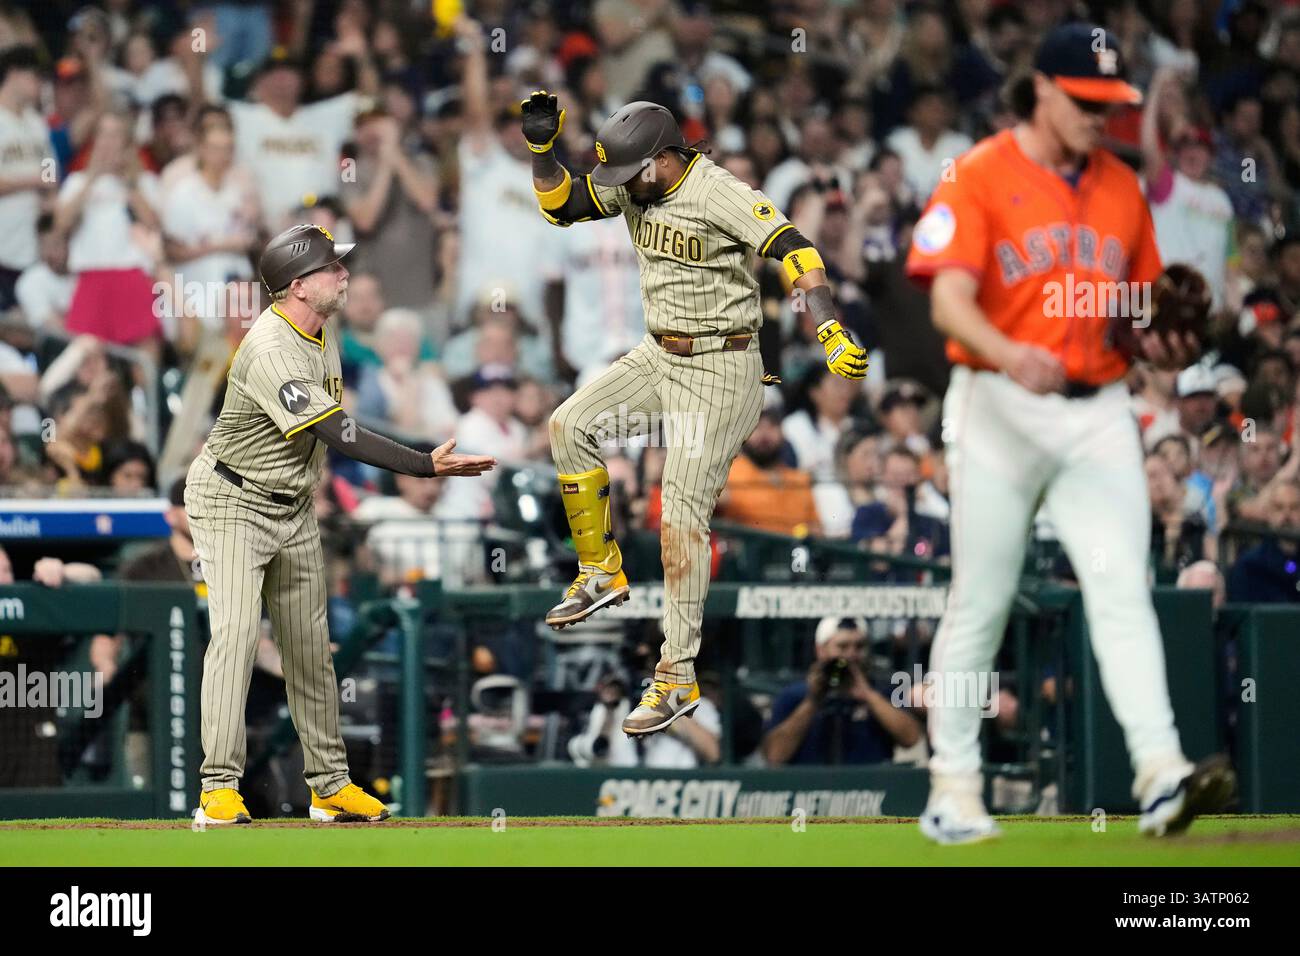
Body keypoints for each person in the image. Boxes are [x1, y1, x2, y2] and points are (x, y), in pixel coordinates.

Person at [904, 24, 1234, 843]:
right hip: (996, 404)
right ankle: (952, 786)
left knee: (1121, 588)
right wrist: (1009, 352)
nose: (1100, 117)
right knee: (979, 599)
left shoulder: (1121, 185)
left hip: (1097, 410)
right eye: (1085, 102)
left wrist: (1154, 341)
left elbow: (1137, 311)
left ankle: (1160, 775)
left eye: (1110, 103)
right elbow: (947, 301)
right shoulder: (978, 173)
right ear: (1043, 90)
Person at [526, 91, 867, 737]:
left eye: (631, 174)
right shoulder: (637, 183)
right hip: (661, 355)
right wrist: (542, 152)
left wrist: (826, 326)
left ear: (661, 159)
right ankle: (600, 569)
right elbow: (561, 208)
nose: (622, 187)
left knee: (681, 512)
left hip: (722, 364)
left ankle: (677, 677)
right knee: (569, 425)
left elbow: (796, 247)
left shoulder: (717, 191)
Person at [185, 224, 496, 826]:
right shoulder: (272, 346)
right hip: (232, 500)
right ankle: (218, 788)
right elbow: (340, 433)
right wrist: (422, 464)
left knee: (310, 649)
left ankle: (329, 786)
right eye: (332, 268)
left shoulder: (322, 329)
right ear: (297, 285)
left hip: (292, 503)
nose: (344, 274)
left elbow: (337, 425)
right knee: (238, 635)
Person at [761, 617, 920, 765]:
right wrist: (812, 702)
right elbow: (775, 756)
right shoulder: (794, 695)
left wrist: (868, 695)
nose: (851, 655)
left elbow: (911, 738)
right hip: (811, 788)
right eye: (842, 647)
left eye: (859, 646)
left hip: (870, 788)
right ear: (820, 650)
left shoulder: (881, 691)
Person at [0, 46, 53, 312]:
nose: (39, 83)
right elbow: (41, 177)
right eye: (34, 75)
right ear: (13, 74)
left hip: (33, 249)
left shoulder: (37, 123)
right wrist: (32, 181)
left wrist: (49, 197)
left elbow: (50, 175)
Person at [716, 404, 821, 536]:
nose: (764, 434)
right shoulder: (727, 472)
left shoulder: (800, 480)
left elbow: (816, 531)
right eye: (756, 426)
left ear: (783, 433)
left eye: (772, 425)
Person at [1227, 480, 1300, 603]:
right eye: (1279, 508)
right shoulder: (1250, 565)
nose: (1287, 515)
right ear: (1268, 513)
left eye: (1294, 507)